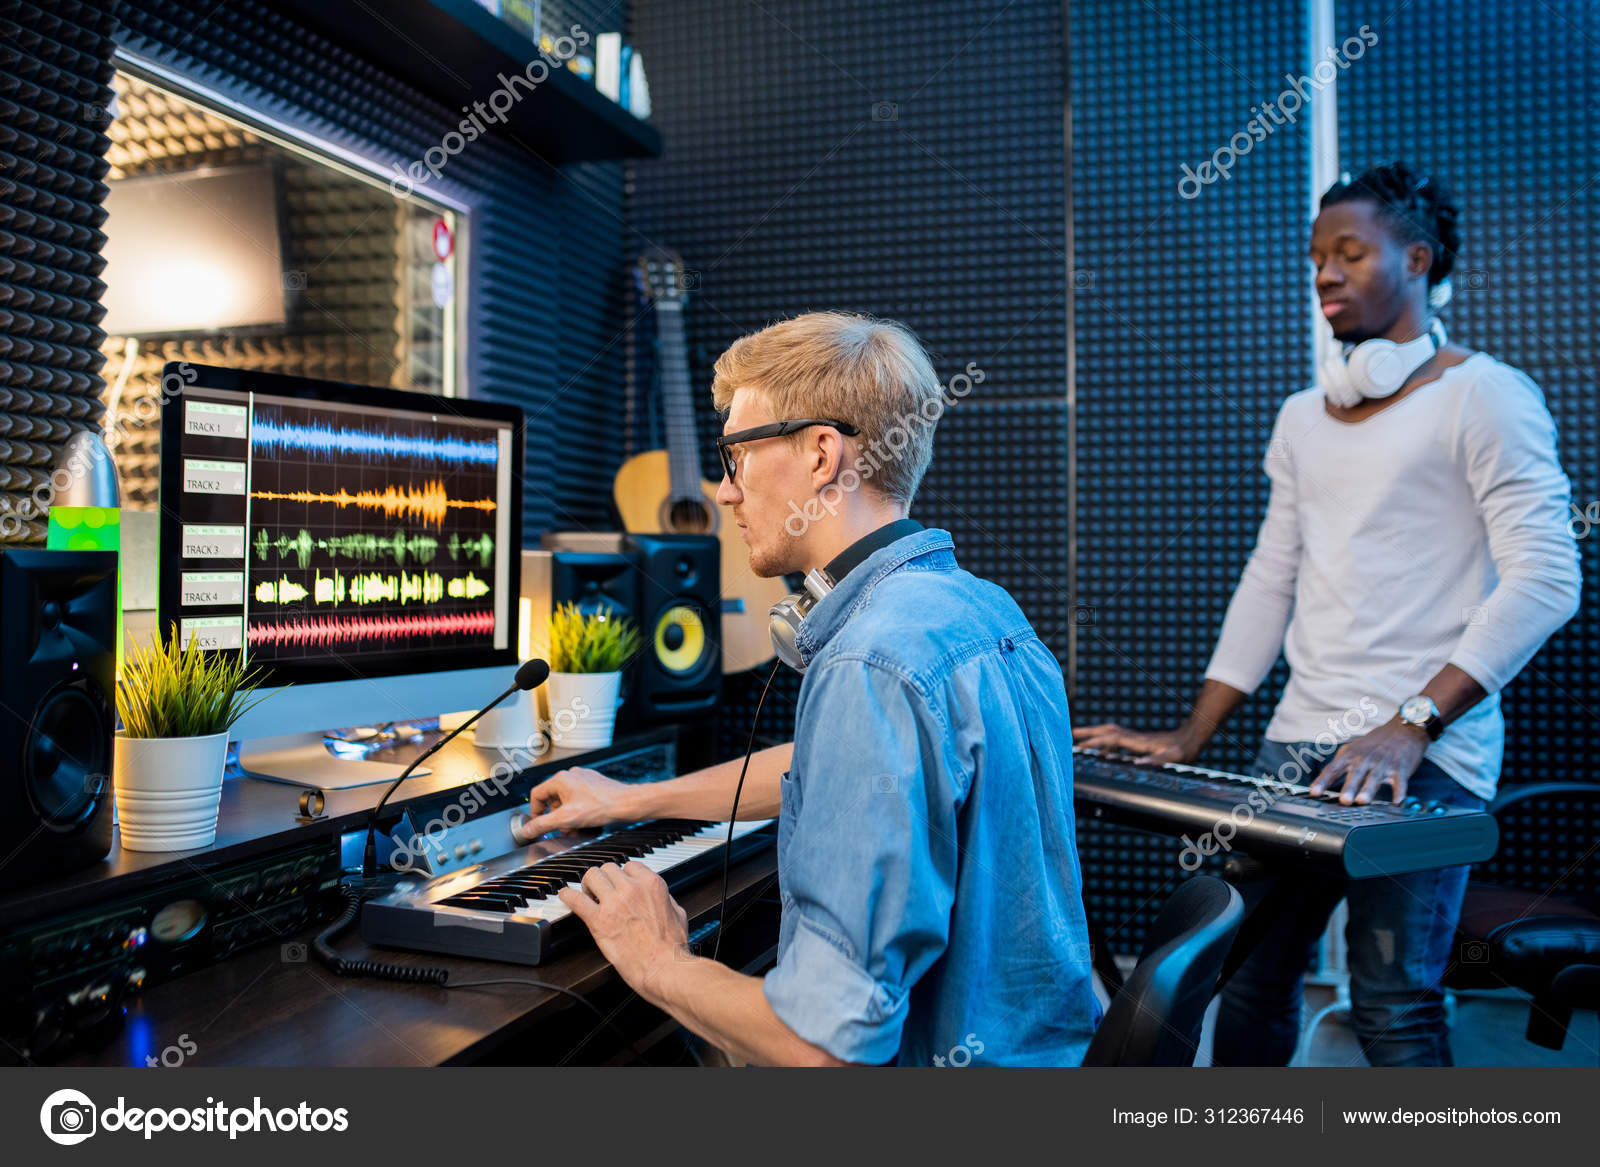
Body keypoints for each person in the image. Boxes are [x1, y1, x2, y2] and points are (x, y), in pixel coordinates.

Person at [1075, 162, 1582, 1066]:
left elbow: (1547, 578)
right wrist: (1193, 732)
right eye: (1316, 257)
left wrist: (1411, 723)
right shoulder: (1302, 417)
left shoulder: (1487, 395)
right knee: (1249, 980)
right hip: (1297, 744)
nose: (1325, 273)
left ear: (1418, 259)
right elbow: (1271, 577)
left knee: (1394, 1005)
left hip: (1426, 757)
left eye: (1350, 252)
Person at [523, 311, 1100, 1066]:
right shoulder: (980, 612)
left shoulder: (870, 663)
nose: (725, 493)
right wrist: (629, 800)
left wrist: (658, 958)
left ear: (823, 453)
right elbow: (834, 763)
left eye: (736, 456)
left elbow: (822, 1050)